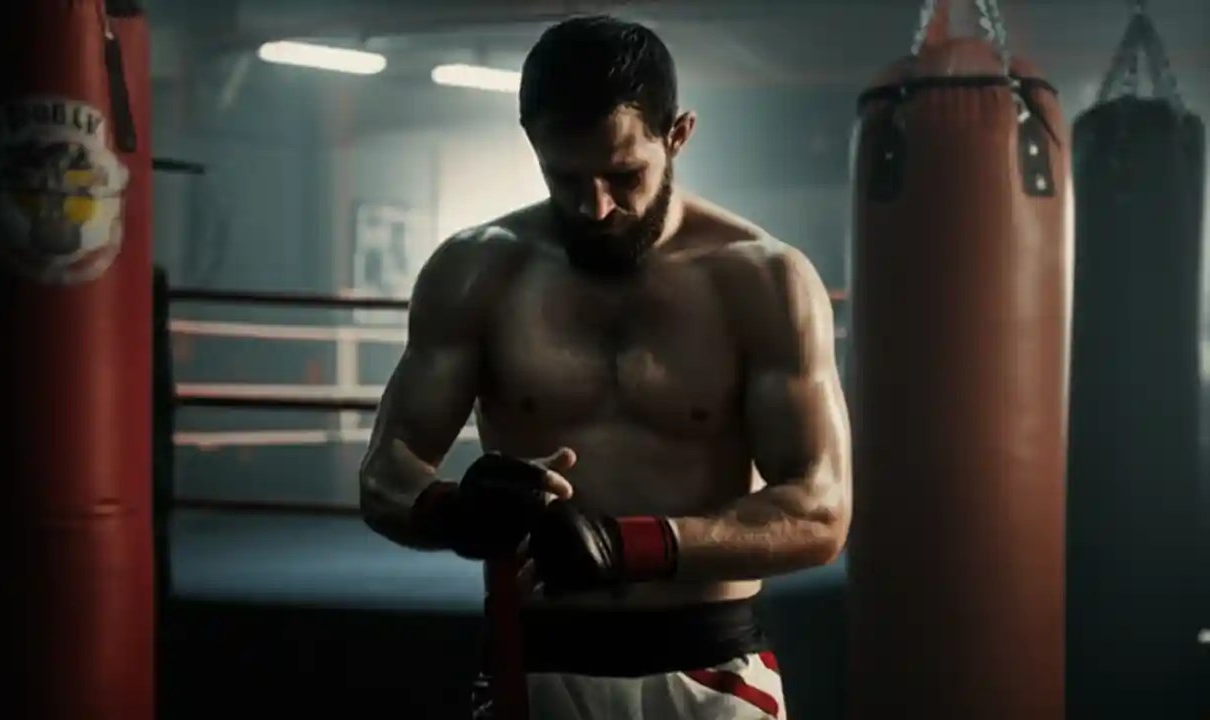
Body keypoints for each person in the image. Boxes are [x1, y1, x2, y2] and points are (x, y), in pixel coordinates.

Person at [359, 14, 852, 720]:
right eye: (567, 176)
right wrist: (456, 511)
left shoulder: (764, 280)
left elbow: (821, 513)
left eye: (624, 175)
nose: (595, 207)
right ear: (532, 141)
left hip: (708, 667)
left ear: (677, 135)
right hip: (538, 662)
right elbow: (384, 476)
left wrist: (631, 546)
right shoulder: (477, 271)